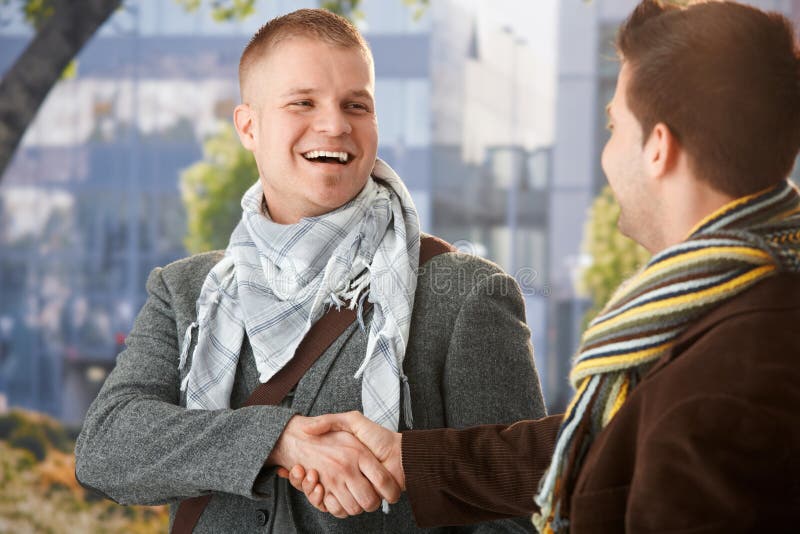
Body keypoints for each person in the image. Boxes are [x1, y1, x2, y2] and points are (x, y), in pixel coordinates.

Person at [283, 1, 800, 532]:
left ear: (658, 149)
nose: (606, 152)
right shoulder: (741, 311)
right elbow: (604, 442)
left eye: (614, 125)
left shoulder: (730, 377)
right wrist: (407, 458)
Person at [74, 8, 545, 534]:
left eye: (356, 105)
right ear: (249, 126)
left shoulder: (465, 294)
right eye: (303, 102)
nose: (335, 124)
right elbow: (104, 447)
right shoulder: (185, 291)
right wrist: (278, 438)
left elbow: (514, 510)